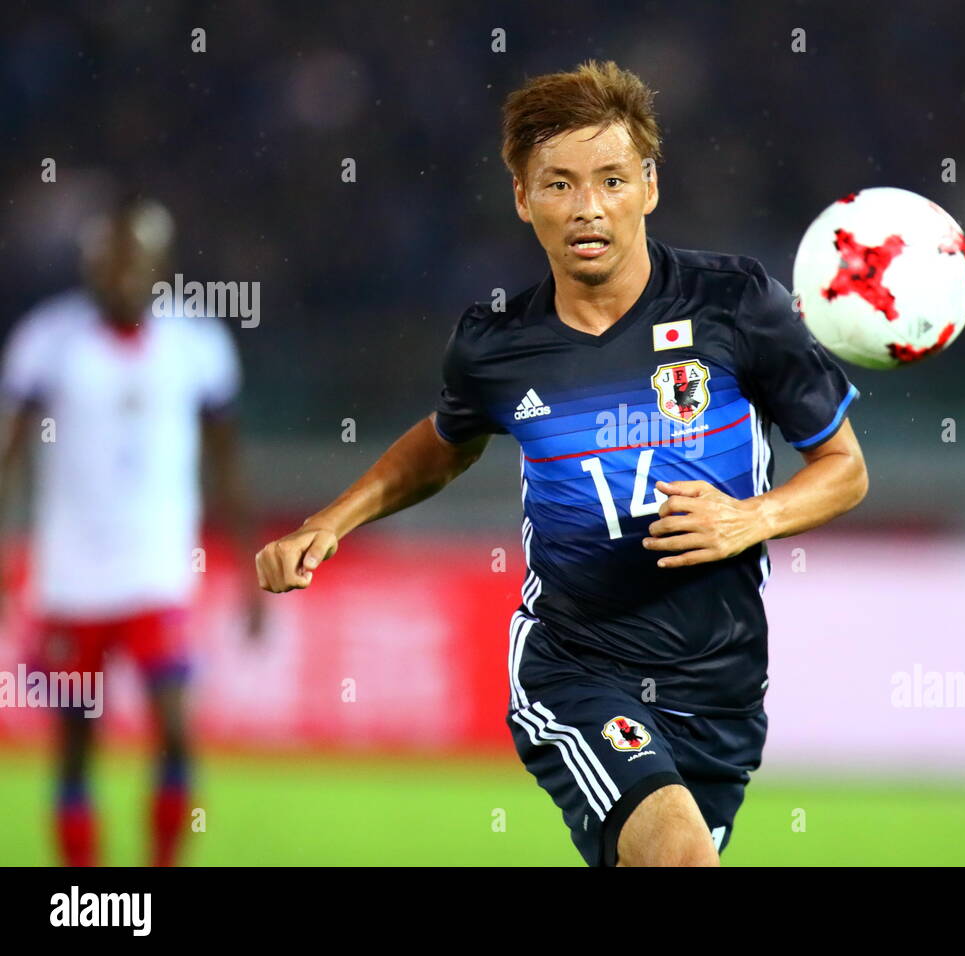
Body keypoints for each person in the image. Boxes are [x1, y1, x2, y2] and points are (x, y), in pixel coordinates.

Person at [255, 60, 867, 866]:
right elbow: (446, 444)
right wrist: (332, 521)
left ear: (649, 185)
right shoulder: (497, 342)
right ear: (522, 198)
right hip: (576, 666)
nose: (587, 208)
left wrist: (750, 518)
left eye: (611, 179)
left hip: (720, 688)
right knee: (680, 856)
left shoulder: (736, 304)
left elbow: (845, 469)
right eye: (559, 184)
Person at [0, 197, 261, 866]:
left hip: (157, 576)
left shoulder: (198, 346)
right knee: (75, 748)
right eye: (107, 260)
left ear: (159, 266)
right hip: (69, 584)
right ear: (89, 264)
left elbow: (226, 465)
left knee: (175, 735)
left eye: (133, 261)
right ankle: (88, 893)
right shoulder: (47, 341)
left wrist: (252, 576)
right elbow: (9, 457)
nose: (119, 274)